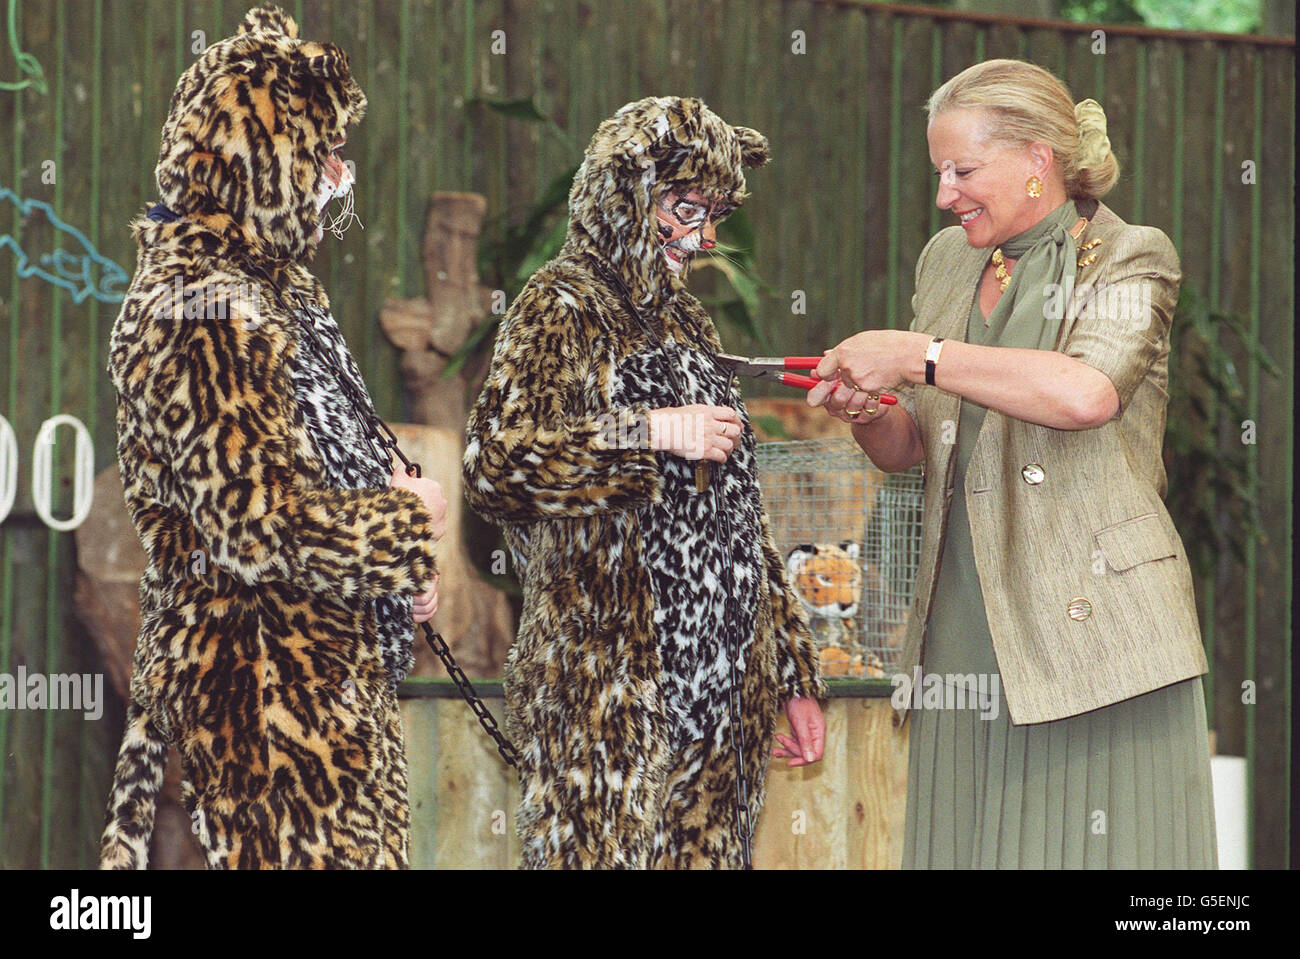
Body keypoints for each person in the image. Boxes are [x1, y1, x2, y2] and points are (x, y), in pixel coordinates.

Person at [810, 59, 1216, 868]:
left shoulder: (1131, 256)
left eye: (963, 171)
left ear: (1038, 160)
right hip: (960, 624)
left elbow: (1085, 394)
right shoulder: (947, 261)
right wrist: (872, 413)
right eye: (938, 173)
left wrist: (916, 354)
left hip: (1099, 633)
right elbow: (916, 450)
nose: (944, 195)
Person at [100, 4, 446, 869]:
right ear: (265, 157)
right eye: (320, 151)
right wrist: (401, 527)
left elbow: (329, 455)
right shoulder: (200, 299)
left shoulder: (279, 284)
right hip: (266, 692)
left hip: (335, 672)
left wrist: (399, 575)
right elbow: (256, 523)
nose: (340, 172)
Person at [463, 96, 827, 869]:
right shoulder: (558, 304)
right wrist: (650, 430)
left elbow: (742, 515)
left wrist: (791, 673)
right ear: (625, 195)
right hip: (608, 703)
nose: (703, 235)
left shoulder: (690, 321)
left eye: (715, 212)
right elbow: (495, 465)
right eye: (685, 207)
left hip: (723, 707)